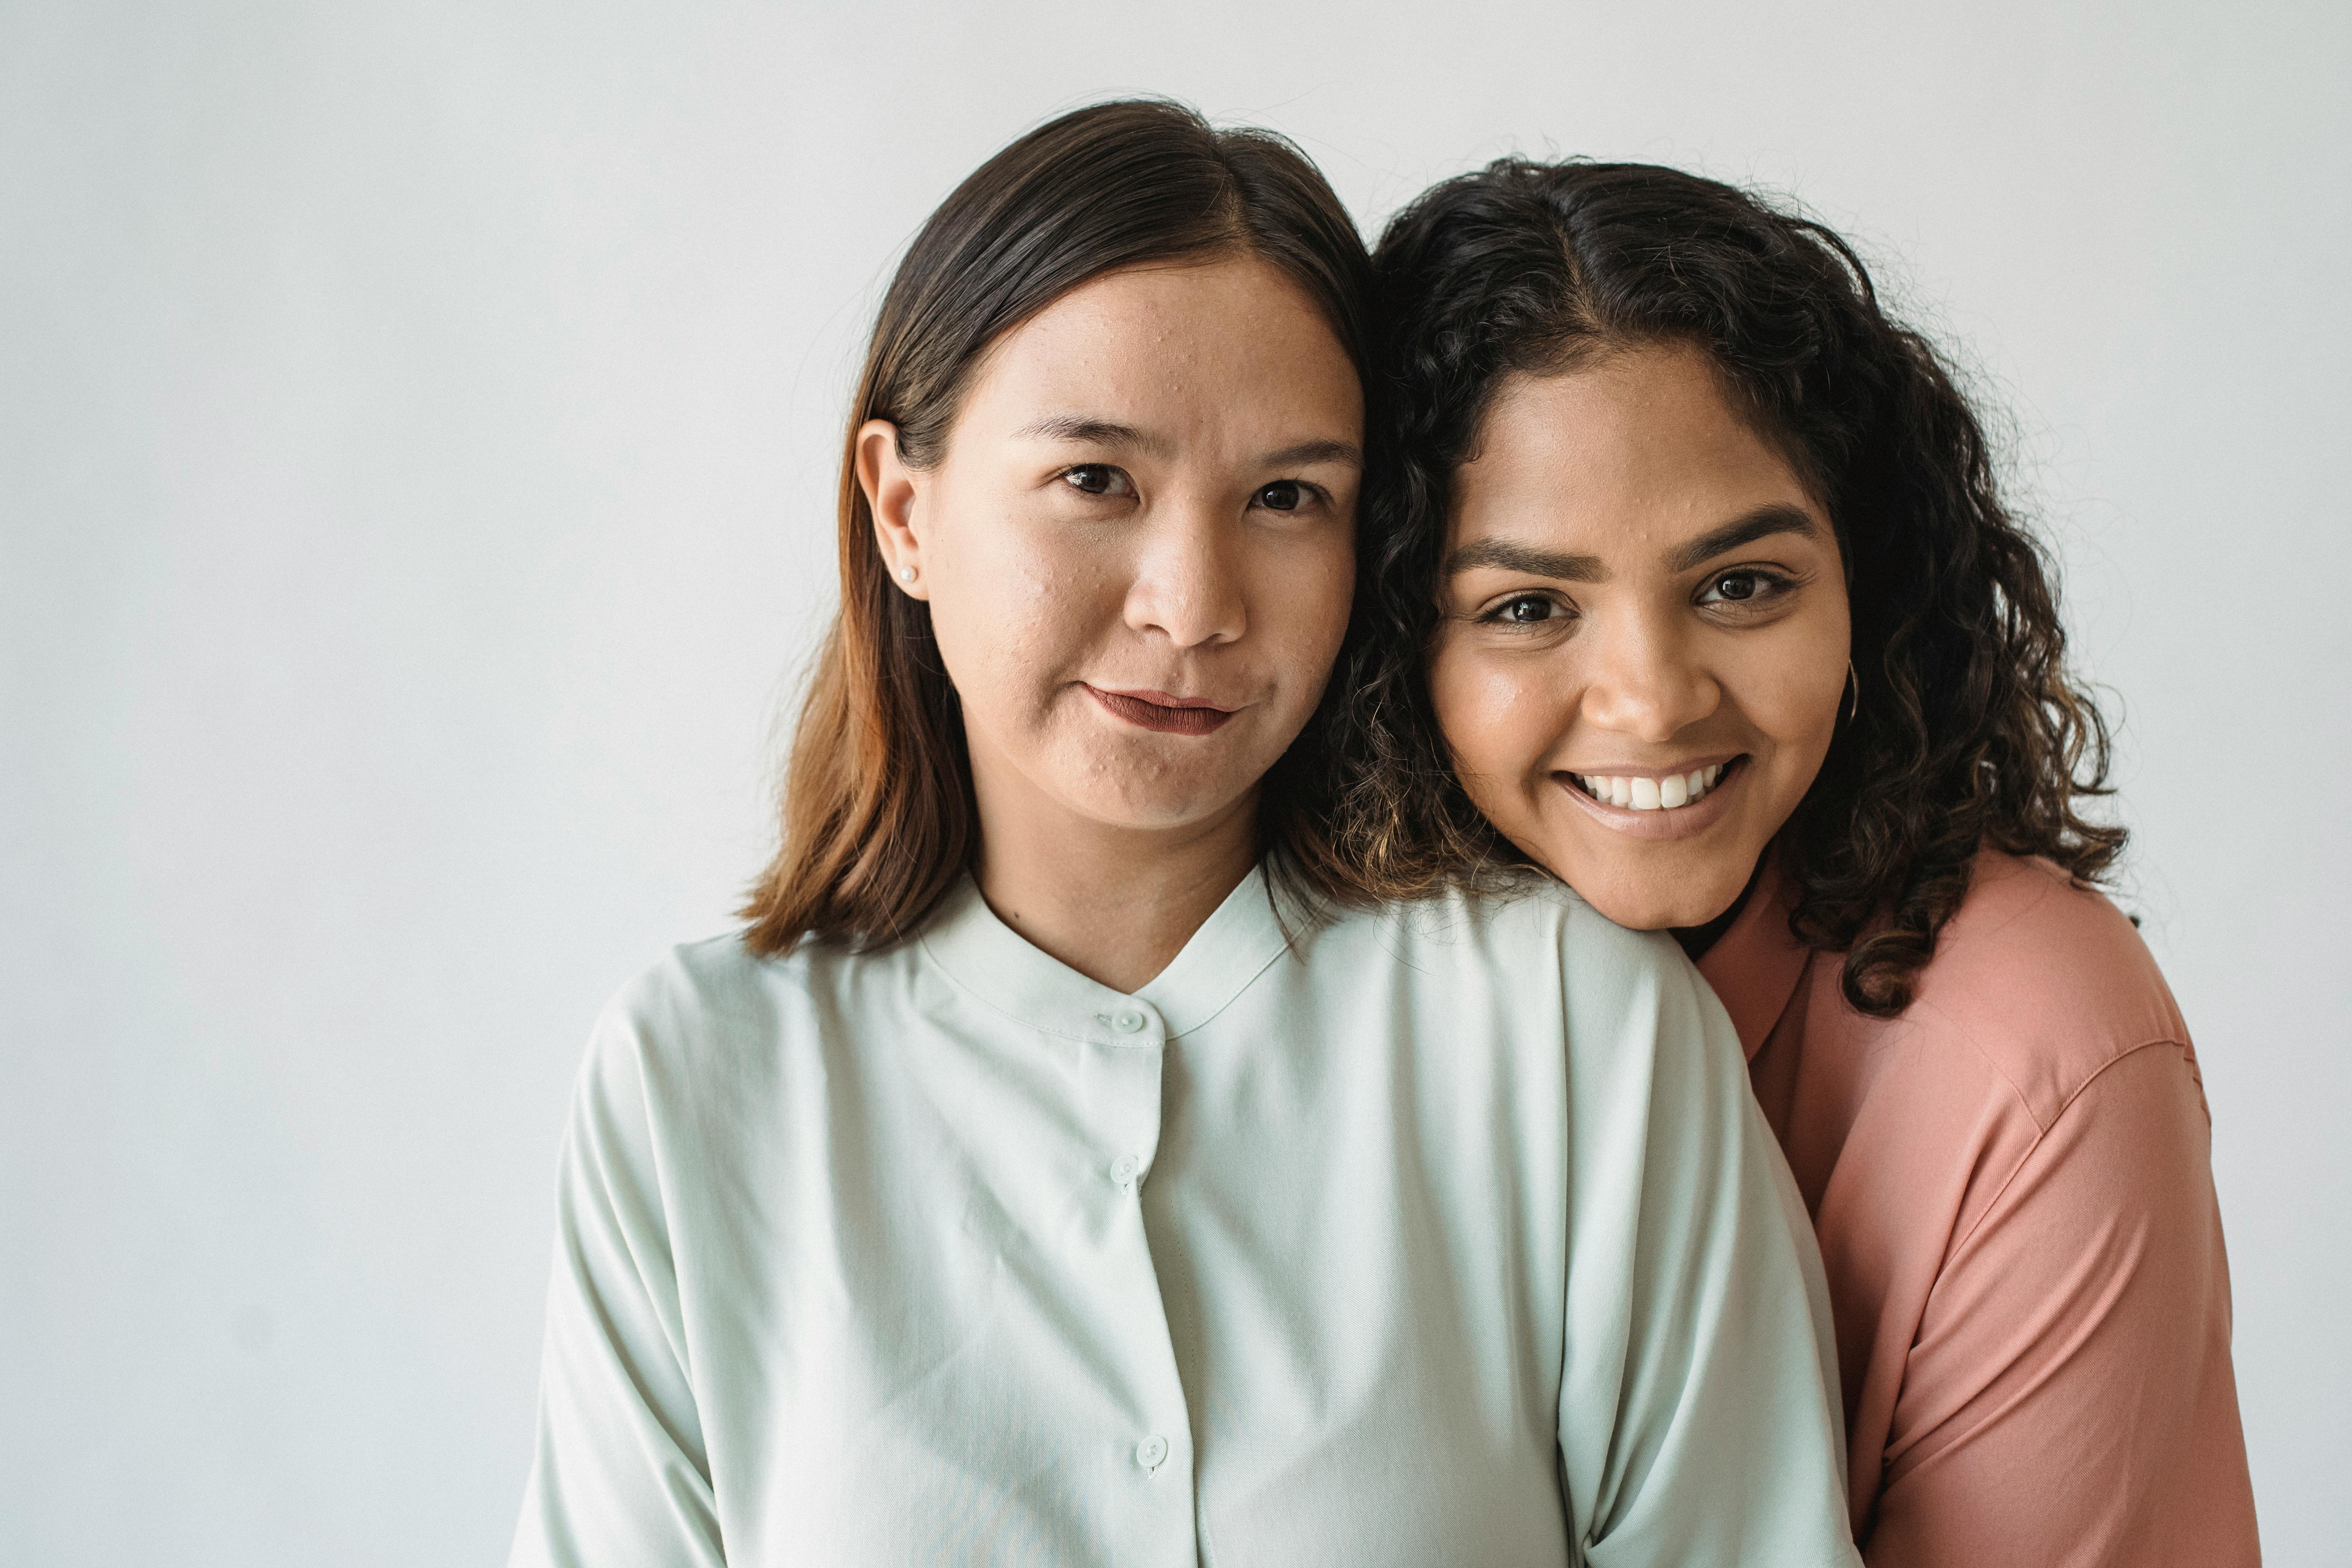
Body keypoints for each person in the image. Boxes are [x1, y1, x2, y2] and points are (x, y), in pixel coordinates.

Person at [507, 105, 1860, 1567]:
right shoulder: (695, 1081)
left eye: (1287, 498)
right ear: (904, 509)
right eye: (1098, 480)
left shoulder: (1567, 1028)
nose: (1194, 600)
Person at [1335, 157, 2259, 1566]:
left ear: (1865, 583)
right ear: (1392, 638)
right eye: (1528, 606)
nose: (1652, 699)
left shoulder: (2037, 1061)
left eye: (1741, 585)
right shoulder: (1302, 978)